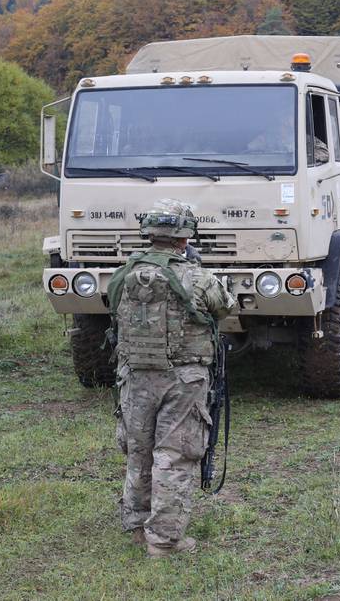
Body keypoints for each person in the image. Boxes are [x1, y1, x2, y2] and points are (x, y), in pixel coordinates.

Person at [106, 199, 235, 558]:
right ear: (184, 238)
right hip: (183, 378)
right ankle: (164, 540)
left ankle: (136, 525)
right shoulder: (196, 277)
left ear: (150, 235)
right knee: (174, 455)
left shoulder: (124, 275)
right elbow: (226, 306)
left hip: (134, 377)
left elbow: (111, 308)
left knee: (138, 451)